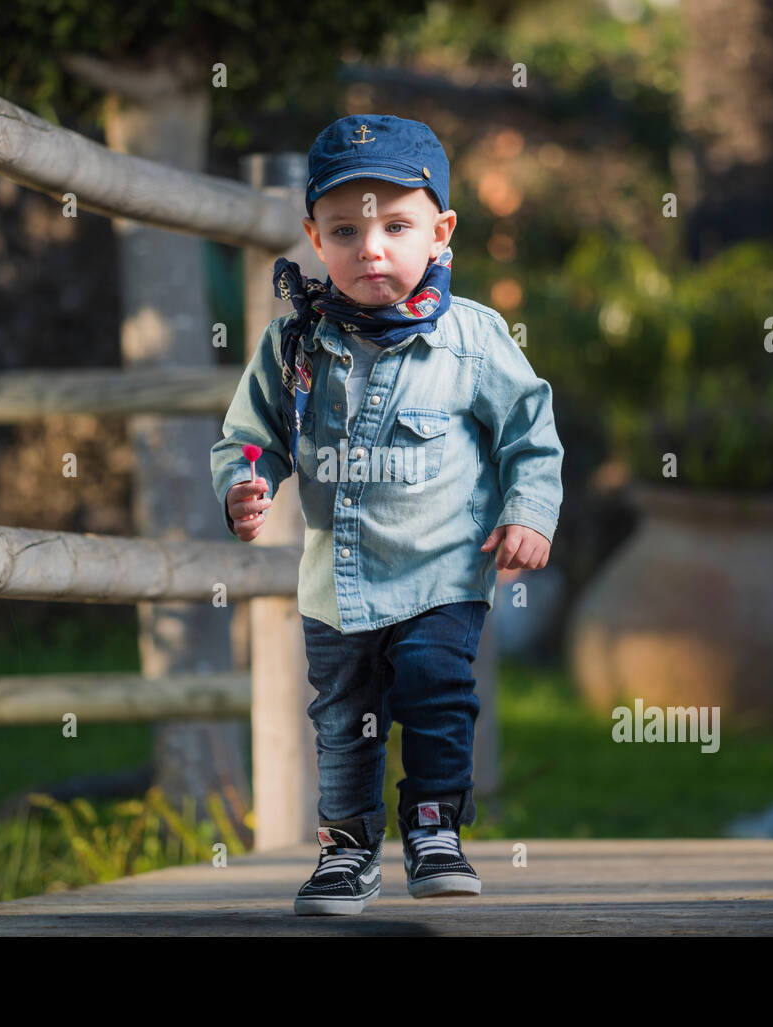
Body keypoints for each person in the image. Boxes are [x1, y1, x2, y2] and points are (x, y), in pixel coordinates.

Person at [209, 114, 563, 915]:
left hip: (442, 569)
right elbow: (250, 434)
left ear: (439, 233)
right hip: (339, 581)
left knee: (439, 690)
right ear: (313, 236)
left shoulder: (472, 340)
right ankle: (346, 846)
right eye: (344, 230)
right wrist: (245, 484)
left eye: (396, 226)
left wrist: (530, 511)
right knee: (345, 716)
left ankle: (434, 824)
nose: (371, 248)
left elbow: (528, 430)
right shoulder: (294, 342)